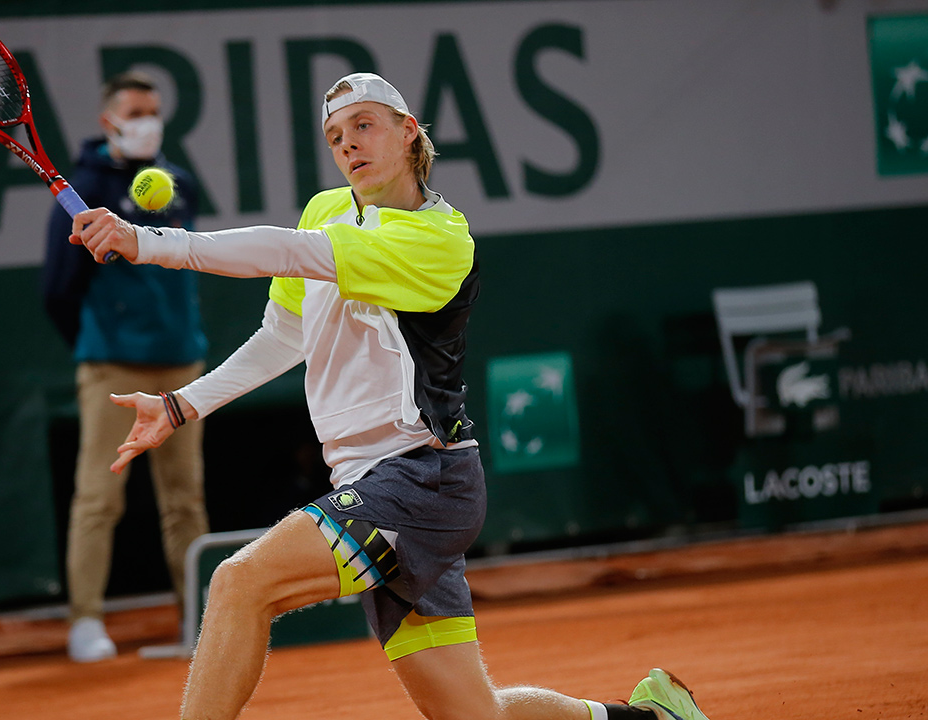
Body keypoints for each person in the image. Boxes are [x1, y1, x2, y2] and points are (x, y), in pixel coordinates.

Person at [70, 72, 711, 720]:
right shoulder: (325, 209)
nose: (349, 145)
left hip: (422, 479)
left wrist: (149, 242)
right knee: (474, 716)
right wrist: (183, 404)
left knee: (239, 583)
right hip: (370, 481)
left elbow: (289, 251)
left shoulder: (438, 238)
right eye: (336, 136)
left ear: (409, 133)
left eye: (364, 126)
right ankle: (648, 717)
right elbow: (282, 335)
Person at [42, 70, 209, 663]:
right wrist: (98, 345)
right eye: (135, 111)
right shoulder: (82, 190)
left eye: (153, 112)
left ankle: (200, 617)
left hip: (182, 363)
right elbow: (58, 288)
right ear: (107, 120)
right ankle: (86, 621)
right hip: (112, 369)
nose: (147, 122)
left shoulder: (177, 183)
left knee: (185, 500)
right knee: (98, 498)